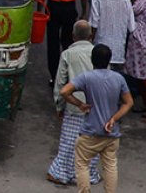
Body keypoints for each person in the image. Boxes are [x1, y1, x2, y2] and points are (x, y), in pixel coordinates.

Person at [59, 44, 133, 193]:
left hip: (90, 131)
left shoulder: (87, 77)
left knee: (82, 164)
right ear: (109, 60)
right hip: (111, 133)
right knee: (110, 166)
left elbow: (64, 91)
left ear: (92, 60)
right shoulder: (118, 79)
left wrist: (80, 104)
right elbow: (129, 102)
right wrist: (114, 118)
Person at [48, 21, 101, 187]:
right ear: (91, 35)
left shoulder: (67, 54)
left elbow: (60, 83)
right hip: (96, 107)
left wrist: (59, 105)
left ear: (73, 35)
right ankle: (87, 174)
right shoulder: (99, 53)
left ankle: (61, 173)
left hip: (74, 104)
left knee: (70, 142)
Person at [89, 0, 135, 71]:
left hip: (99, 49)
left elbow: (93, 25)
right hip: (118, 52)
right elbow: (132, 27)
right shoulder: (126, 0)